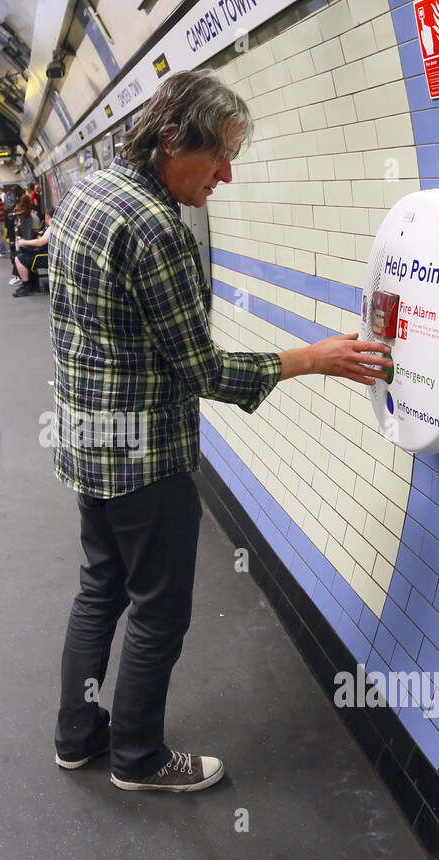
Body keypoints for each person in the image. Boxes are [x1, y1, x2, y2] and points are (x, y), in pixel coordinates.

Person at [48, 69, 392, 793]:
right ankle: (138, 759)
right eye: (220, 156)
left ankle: (77, 735)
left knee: (100, 587)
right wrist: (314, 359)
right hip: (145, 458)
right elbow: (204, 370)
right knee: (158, 612)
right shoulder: (155, 229)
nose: (227, 176)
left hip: (88, 439)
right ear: (173, 142)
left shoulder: (89, 192)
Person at [11, 208, 51, 297]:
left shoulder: (51, 228)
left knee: (20, 258)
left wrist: (24, 242)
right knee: (20, 253)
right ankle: (28, 282)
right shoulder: (49, 228)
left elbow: (41, 242)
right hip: (44, 254)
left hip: (45, 257)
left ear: (47, 216)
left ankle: (27, 285)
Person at [7, 193, 34, 286]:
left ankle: (19, 276)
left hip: (26, 222)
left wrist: (14, 213)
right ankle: (18, 276)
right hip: (24, 222)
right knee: (19, 250)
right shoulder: (23, 199)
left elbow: (25, 211)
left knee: (23, 248)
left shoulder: (24, 198)